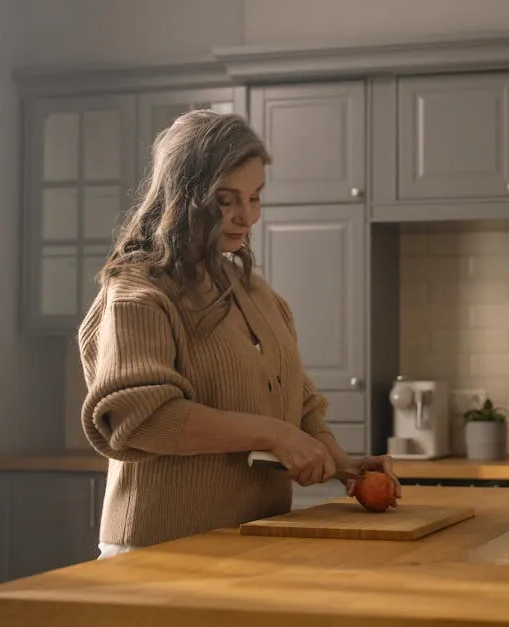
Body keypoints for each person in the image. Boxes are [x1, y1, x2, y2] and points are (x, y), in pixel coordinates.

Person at [78, 110, 400, 559]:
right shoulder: (139, 289)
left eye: (255, 197)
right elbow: (145, 418)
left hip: (250, 537)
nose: (246, 216)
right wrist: (273, 435)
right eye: (226, 200)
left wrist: (338, 462)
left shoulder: (254, 292)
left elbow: (296, 402)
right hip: (160, 546)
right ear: (183, 195)